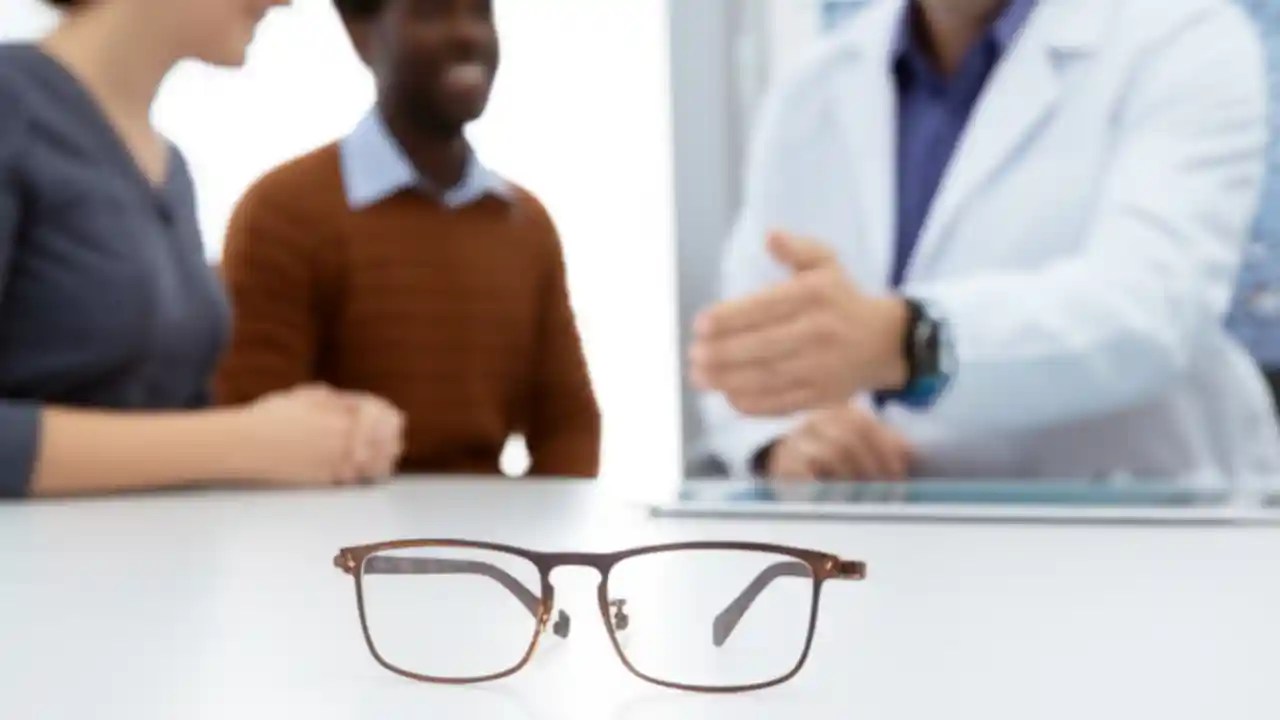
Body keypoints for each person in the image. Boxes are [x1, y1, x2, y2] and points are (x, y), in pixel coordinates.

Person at [691, 0, 1280, 482]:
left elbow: (1152, 310)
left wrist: (909, 343)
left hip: (1138, 532)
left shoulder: (1183, 38)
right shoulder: (815, 83)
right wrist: (786, 441)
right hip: (895, 538)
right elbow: (752, 334)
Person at [0, 0, 407, 499]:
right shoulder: (10, 104)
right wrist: (250, 441)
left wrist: (320, 430)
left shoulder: (171, 171)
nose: (285, 3)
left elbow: (167, 426)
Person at [215, 0, 601, 477]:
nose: (468, 34)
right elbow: (251, 431)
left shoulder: (524, 224)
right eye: (432, 13)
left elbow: (569, 426)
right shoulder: (285, 212)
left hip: (490, 520)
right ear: (361, 35)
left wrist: (548, 524)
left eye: (481, 12)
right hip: (335, 519)